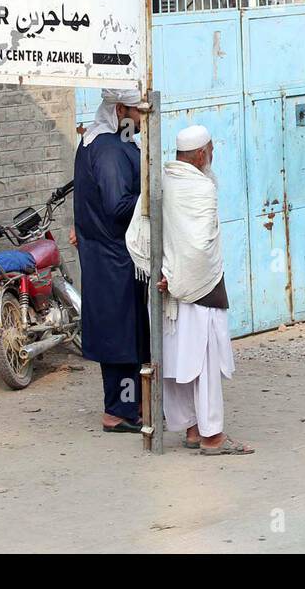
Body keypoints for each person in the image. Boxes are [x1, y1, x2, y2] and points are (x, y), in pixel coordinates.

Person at [142, 126, 251, 456]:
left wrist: (164, 273)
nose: (213, 156)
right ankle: (212, 437)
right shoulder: (202, 188)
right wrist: (181, 280)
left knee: (178, 361)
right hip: (198, 288)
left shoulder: (160, 180)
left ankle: (192, 428)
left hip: (168, 288)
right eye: (212, 151)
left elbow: (142, 229)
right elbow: (201, 245)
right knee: (204, 362)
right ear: (202, 154)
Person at [73, 87, 150, 433]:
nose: (143, 119)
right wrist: (154, 193)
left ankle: (131, 406)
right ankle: (121, 411)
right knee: (123, 340)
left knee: (128, 334)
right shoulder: (107, 150)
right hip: (114, 259)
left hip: (116, 257)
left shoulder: (118, 143)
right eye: (138, 113)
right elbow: (118, 206)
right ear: (120, 110)